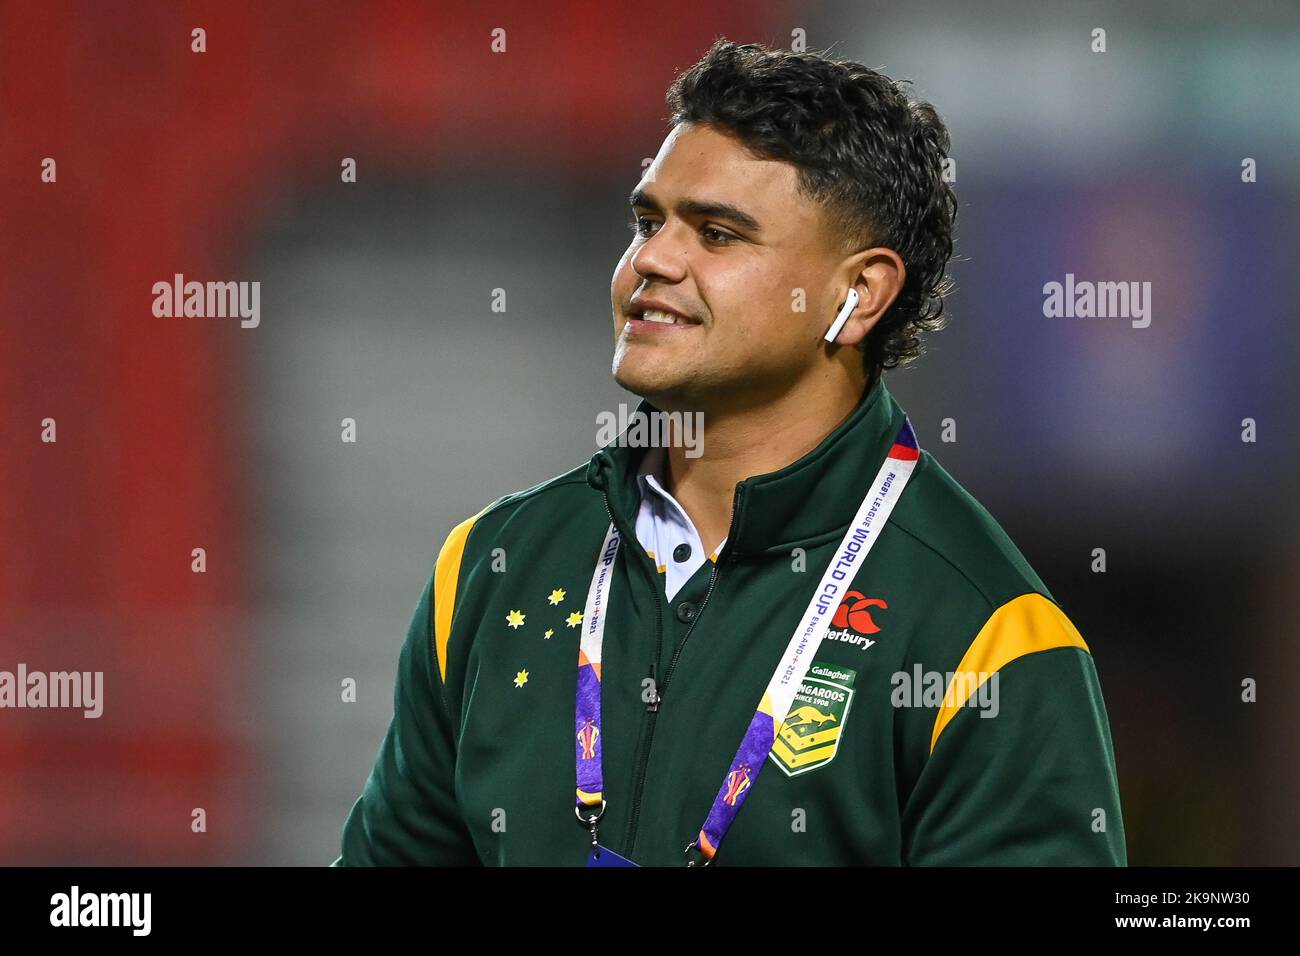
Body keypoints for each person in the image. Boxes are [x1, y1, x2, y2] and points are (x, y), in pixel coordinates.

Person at [333, 39, 1126, 866]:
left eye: (716, 234)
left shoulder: (986, 634)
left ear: (859, 295)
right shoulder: (494, 566)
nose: (651, 260)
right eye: (648, 222)